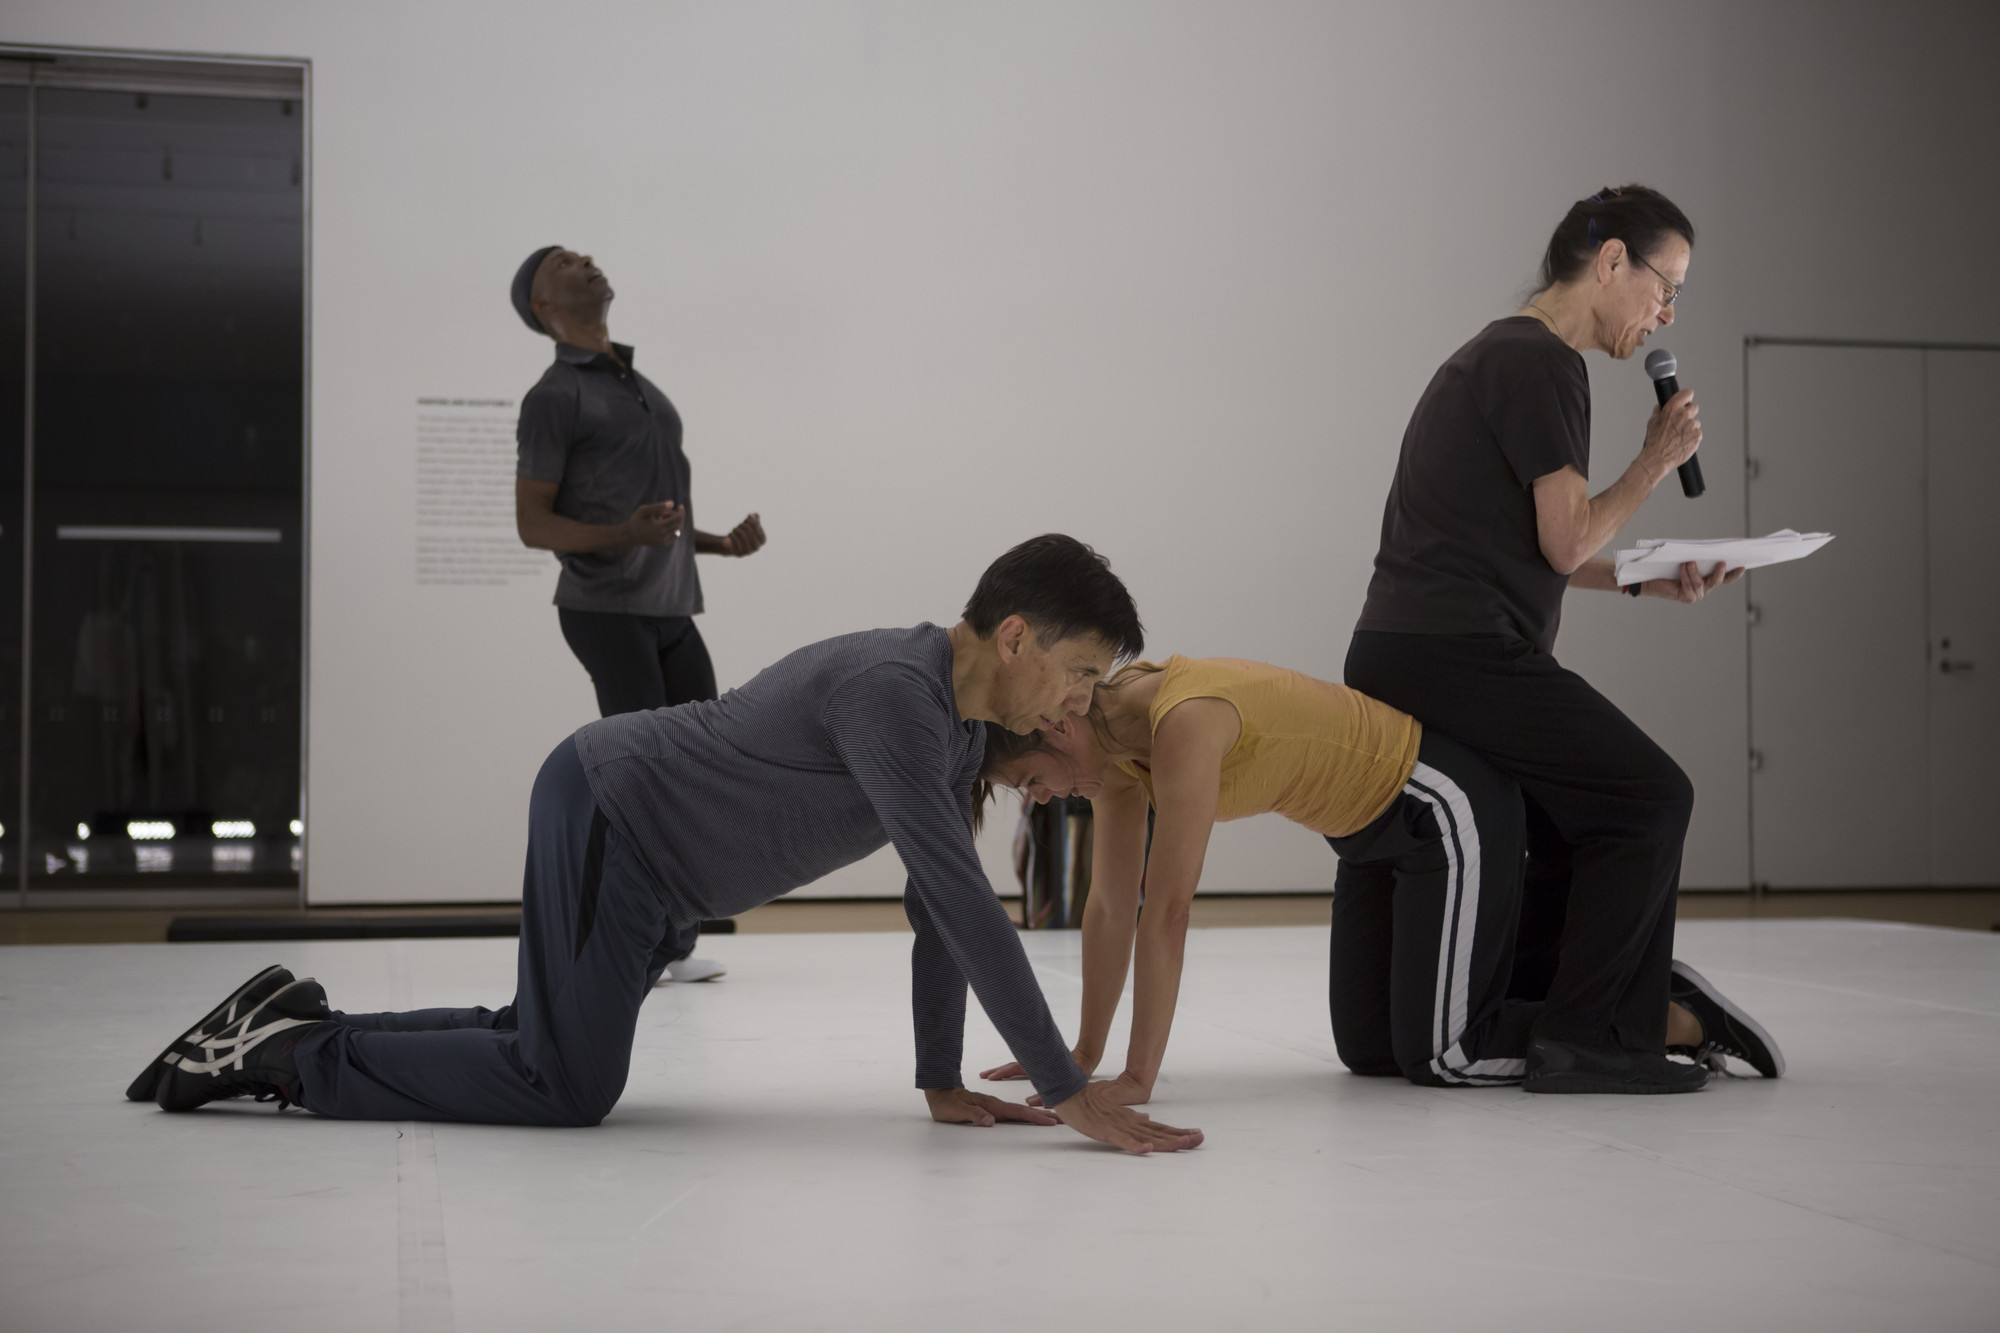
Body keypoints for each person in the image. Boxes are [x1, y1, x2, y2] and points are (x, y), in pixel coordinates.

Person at [133, 536, 1203, 1156]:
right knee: (562, 1084)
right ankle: (276, 1060)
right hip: (617, 809)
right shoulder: (897, 692)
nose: (1078, 700)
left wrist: (936, 1074)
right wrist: (1066, 1087)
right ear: (1016, 635)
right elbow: (964, 900)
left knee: (536, 1037)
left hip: (647, 853)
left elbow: (934, 911)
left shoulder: (961, 725)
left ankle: (290, 1021)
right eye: (1079, 670)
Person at [1345, 184, 1771, 1093]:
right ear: (1612, 260)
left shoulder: (1493, 354)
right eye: (1668, 286)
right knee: (1651, 798)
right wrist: (1655, 459)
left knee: (1562, 812)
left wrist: (1648, 579)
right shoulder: (1544, 362)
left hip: (1404, 647)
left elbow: (1523, 545)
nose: (1665, 311)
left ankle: (1563, 1009)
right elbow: (1567, 535)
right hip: (1458, 652)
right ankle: (1598, 1035)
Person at [975, 656, 1780, 1101]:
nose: (1044, 800)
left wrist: (1140, 1077)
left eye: (1033, 782)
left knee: (1448, 1055)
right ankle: (1604, 995)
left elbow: (1169, 912)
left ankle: (1662, 1015)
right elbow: (1113, 907)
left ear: (1055, 722)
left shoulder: (1181, 722)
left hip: (1443, 808)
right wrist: (1082, 1049)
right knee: (1372, 1051)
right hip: (1368, 840)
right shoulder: (1117, 758)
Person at [510, 244, 769, 985]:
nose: (584, 259)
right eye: (562, 261)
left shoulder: (639, 385)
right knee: (644, 779)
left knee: (701, 768)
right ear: (542, 306)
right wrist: (626, 534)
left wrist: (718, 542)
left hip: (669, 607)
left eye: (583, 253)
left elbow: (657, 518)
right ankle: (632, 943)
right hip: (604, 610)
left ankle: (671, 942)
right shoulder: (555, 397)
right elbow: (535, 525)